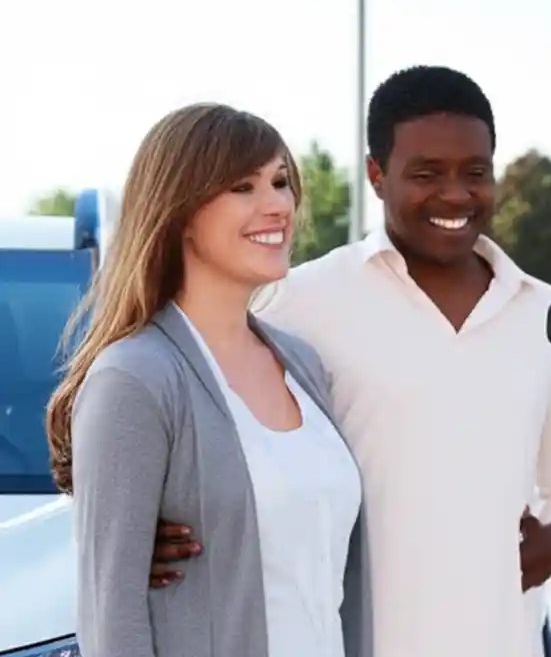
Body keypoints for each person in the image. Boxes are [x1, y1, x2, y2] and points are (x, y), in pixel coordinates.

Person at [149, 66, 551, 656]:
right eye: (425, 174)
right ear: (376, 174)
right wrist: (149, 523)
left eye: (475, 173)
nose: (455, 194)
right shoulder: (297, 300)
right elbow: (179, 415)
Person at [46, 103, 364, 656]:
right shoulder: (135, 377)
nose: (277, 205)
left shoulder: (304, 365)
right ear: (181, 213)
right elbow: (110, 614)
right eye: (243, 187)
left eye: (281, 182)